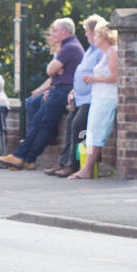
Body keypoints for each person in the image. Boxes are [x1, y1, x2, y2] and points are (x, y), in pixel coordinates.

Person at [0, 18, 84, 169]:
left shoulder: (70, 47)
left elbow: (50, 71)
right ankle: (26, 159)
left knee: (42, 123)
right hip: (59, 88)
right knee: (39, 121)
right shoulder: (67, 46)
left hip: (63, 90)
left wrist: (56, 71)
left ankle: (23, 157)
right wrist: (55, 72)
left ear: (64, 32)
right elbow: (53, 72)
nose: (52, 33)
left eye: (55, 30)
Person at [47, 14, 104, 177]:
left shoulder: (100, 52)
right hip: (80, 97)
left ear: (95, 32)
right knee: (70, 125)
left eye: (87, 31)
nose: (85, 34)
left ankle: (74, 164)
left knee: (78, 125)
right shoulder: (90, 51)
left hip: (90, 98)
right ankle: (64, 162)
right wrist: (73, 91)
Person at [69, 22, 117, 180]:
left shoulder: (113, 52)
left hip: (107, 98)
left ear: (104, 36)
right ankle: (86, 168)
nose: (93, 37)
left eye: (96, 34)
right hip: (99, 97)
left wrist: (93, 79)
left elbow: (115, 77)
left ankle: (87, 169)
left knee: (97, 133)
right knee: (91, 132)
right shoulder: (105, 53)